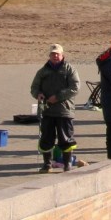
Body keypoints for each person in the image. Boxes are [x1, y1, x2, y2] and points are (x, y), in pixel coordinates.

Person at [31, 44, 79, 173]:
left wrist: (57, 97)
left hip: (64, 110)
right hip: (47, 111)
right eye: (53, 54)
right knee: (46, 138)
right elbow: (34, 88)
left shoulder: (70, 69)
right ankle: (47, 164)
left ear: (62, 55)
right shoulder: (42, 71)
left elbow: (75, 88)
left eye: (57, 54)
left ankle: (67, 163)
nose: (55, 56)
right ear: (49, 56)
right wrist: (38, 94)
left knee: (66, 139)